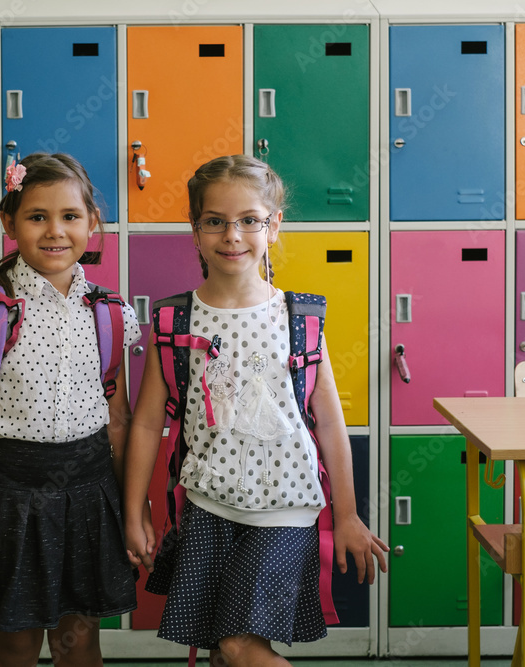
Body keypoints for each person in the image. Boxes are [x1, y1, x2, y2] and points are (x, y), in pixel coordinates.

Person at [123, 154, 388, 667]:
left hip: (286, 510)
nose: (232, 234)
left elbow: (329, 421)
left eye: (249, 220)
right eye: (215, 221)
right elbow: (148, 423)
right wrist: (137, 511)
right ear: (195, 229)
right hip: (206, 510)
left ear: (274, 224)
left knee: (240, 646)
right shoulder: (173, 320)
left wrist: (348, 514)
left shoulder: (300, 319)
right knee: (226, 653)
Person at [0, 153, 140, 666]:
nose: (55, 231)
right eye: (36, 217)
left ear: (93, 222)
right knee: (14, 642)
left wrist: (132, 515)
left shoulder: (113, 313)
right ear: (10, 223)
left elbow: (118, 421)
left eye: (71, 217)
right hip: (10, 498)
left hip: (90, 495)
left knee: (81, 641)